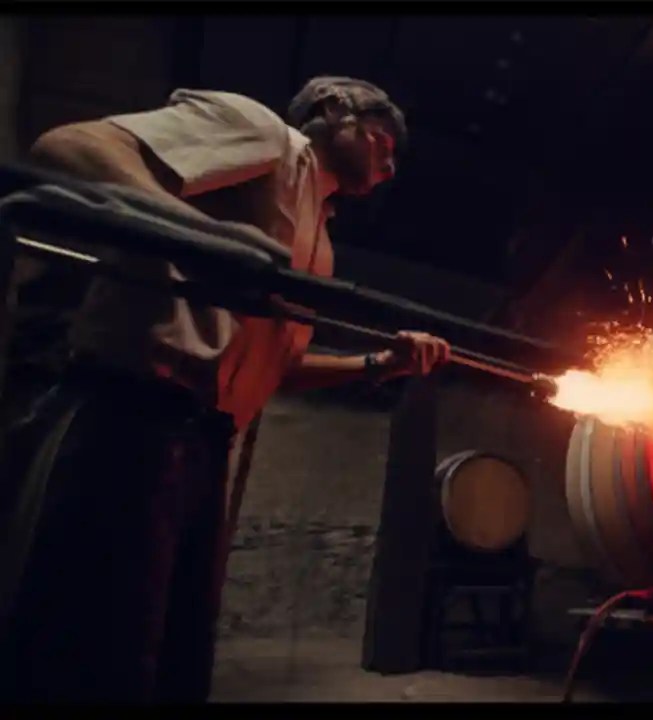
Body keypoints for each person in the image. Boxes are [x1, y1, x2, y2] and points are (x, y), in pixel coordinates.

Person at [0, 77, 448, 703]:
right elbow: (71, 145)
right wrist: (197, 235)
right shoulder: (262, 133)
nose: (391, 160)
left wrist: (380, 363)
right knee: (90, 655)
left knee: (168, 663)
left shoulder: (318, 240)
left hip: (203, 443)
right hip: (127, 415)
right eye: (383, 138)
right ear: (332, 108)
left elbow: (276, 368)